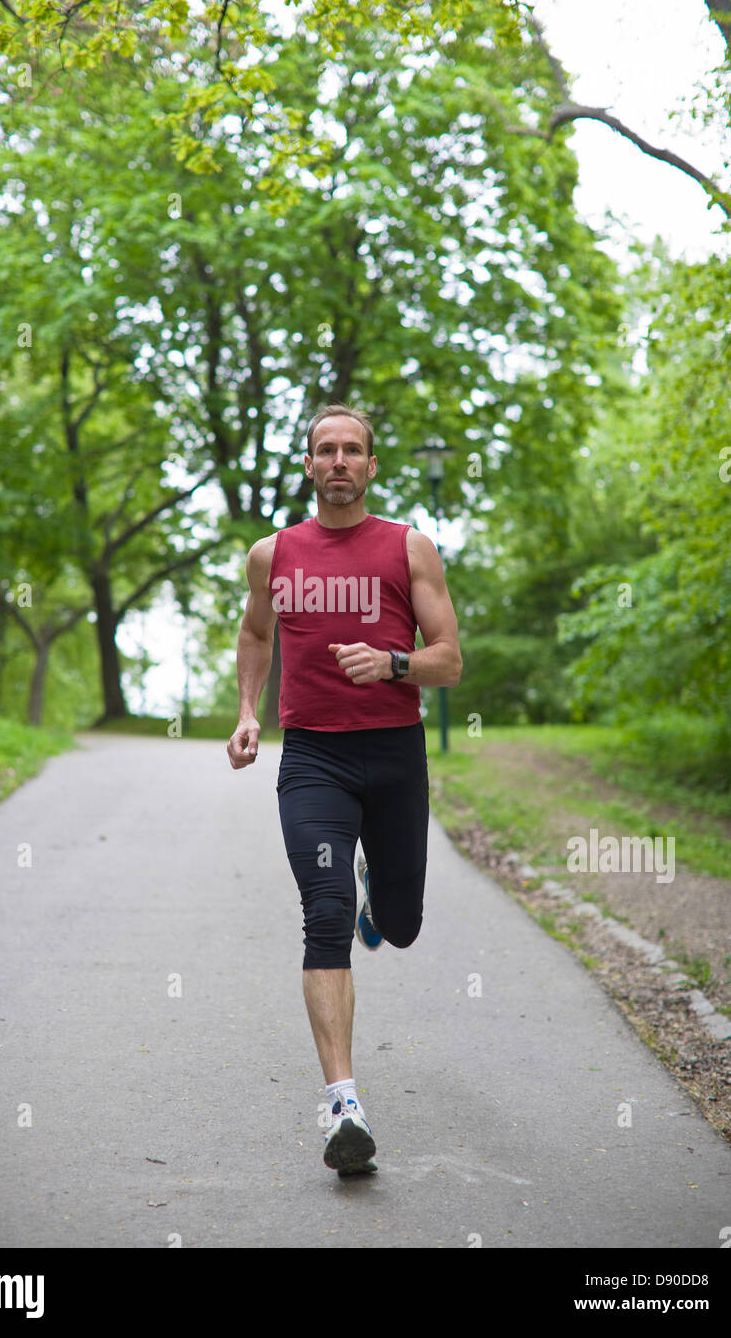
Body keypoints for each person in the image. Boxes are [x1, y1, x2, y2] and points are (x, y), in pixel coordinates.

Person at [226, 404, 462, 1177]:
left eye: (350, 450)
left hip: (394, 756)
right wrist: (247, 715)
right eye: (324, 450)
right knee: (322, 917)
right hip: (316, 761)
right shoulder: (274, 554)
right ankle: (342, 1104)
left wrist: (393, 664)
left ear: (369, 466)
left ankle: (378, 896)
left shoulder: (409, 547)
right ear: (307, 465)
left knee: (400, 925)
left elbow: (450, 659)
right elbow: (257, 632)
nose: (337, 461)